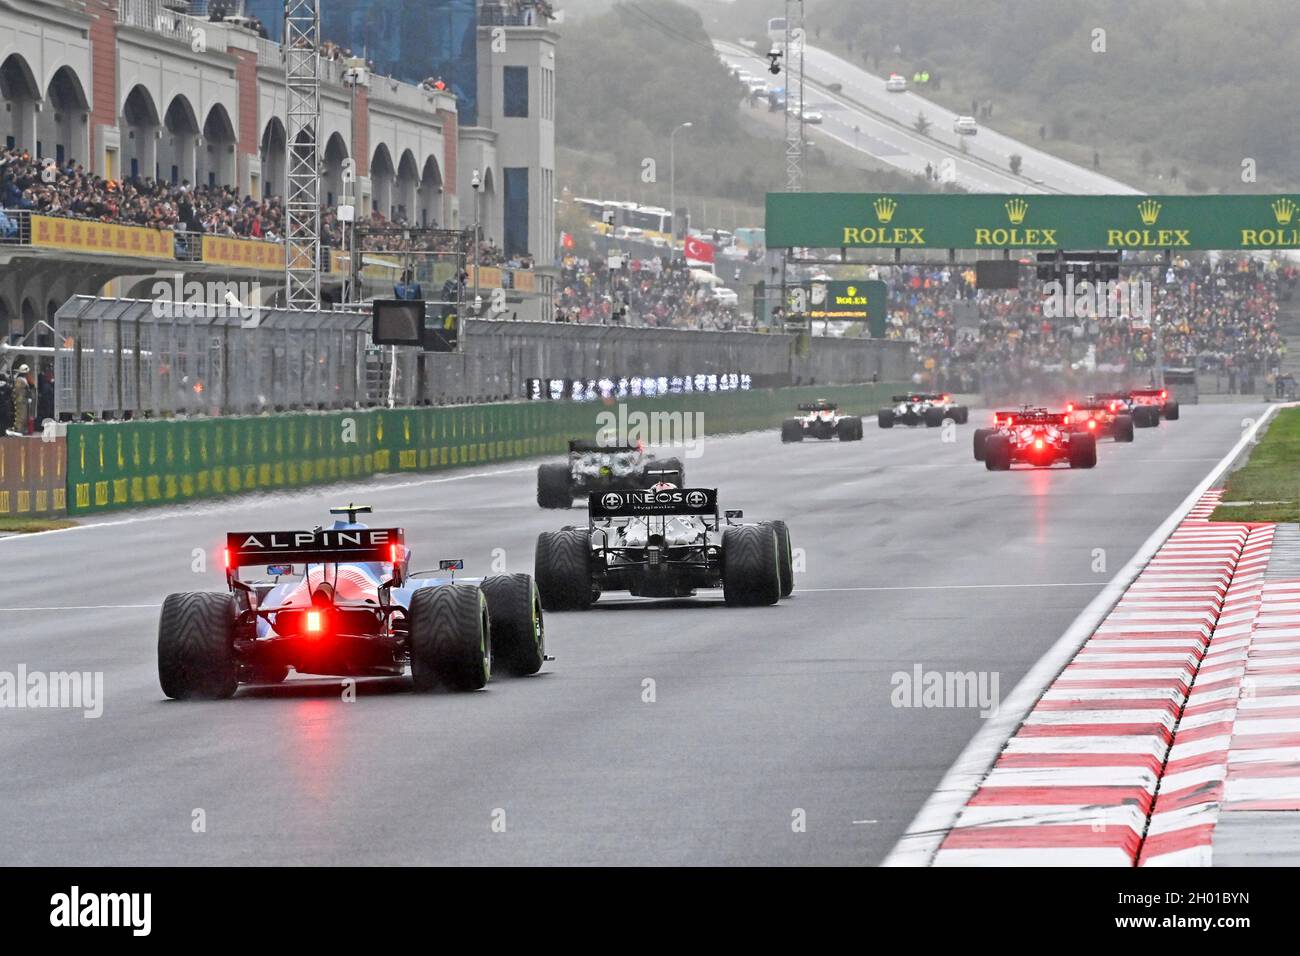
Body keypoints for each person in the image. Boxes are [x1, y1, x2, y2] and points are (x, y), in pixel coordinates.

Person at [11, 364, 32, 435]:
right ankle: (18, 429)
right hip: (21, 400)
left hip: (23, 400)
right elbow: (18, 391)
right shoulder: (20, 380)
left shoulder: (21, 379)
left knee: (24, 415)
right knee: (21, 415)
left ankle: (21, 429)